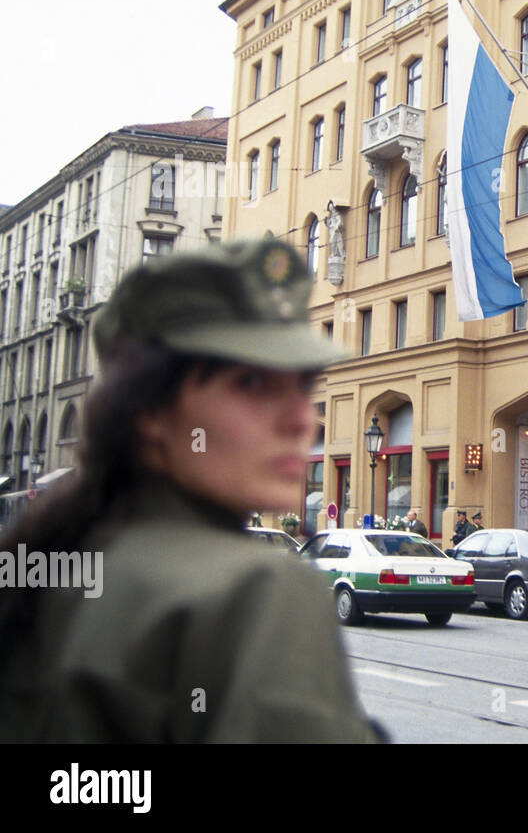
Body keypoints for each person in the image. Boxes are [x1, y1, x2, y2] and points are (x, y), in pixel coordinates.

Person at [0, 239, 380, 742]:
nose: (301, 419)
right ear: (152, 413)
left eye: (302, 386)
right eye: (250, 383)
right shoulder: (257, 591)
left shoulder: (54, 562)